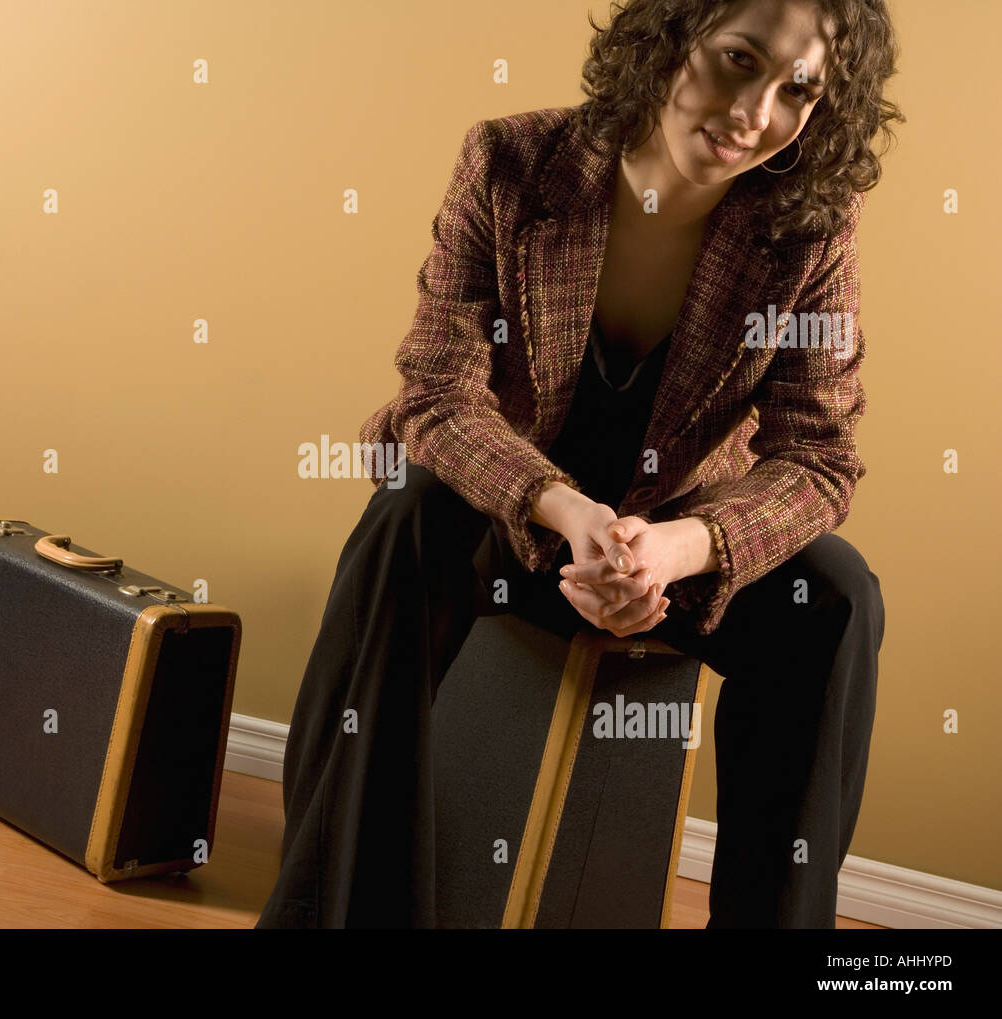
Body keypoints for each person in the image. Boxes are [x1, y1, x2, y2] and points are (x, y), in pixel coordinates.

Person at [256, 0, 902, 929]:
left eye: (798, 89)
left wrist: (679, 548)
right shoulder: (514, 163)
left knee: (839, 596)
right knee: (408, 505)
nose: (754, 112)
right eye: (736, 59)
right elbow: (437, 393)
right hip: (508, 524)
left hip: (671, 553)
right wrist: (566, 511)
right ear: (672, 34)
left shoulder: (810, 228)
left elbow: (820, 456)